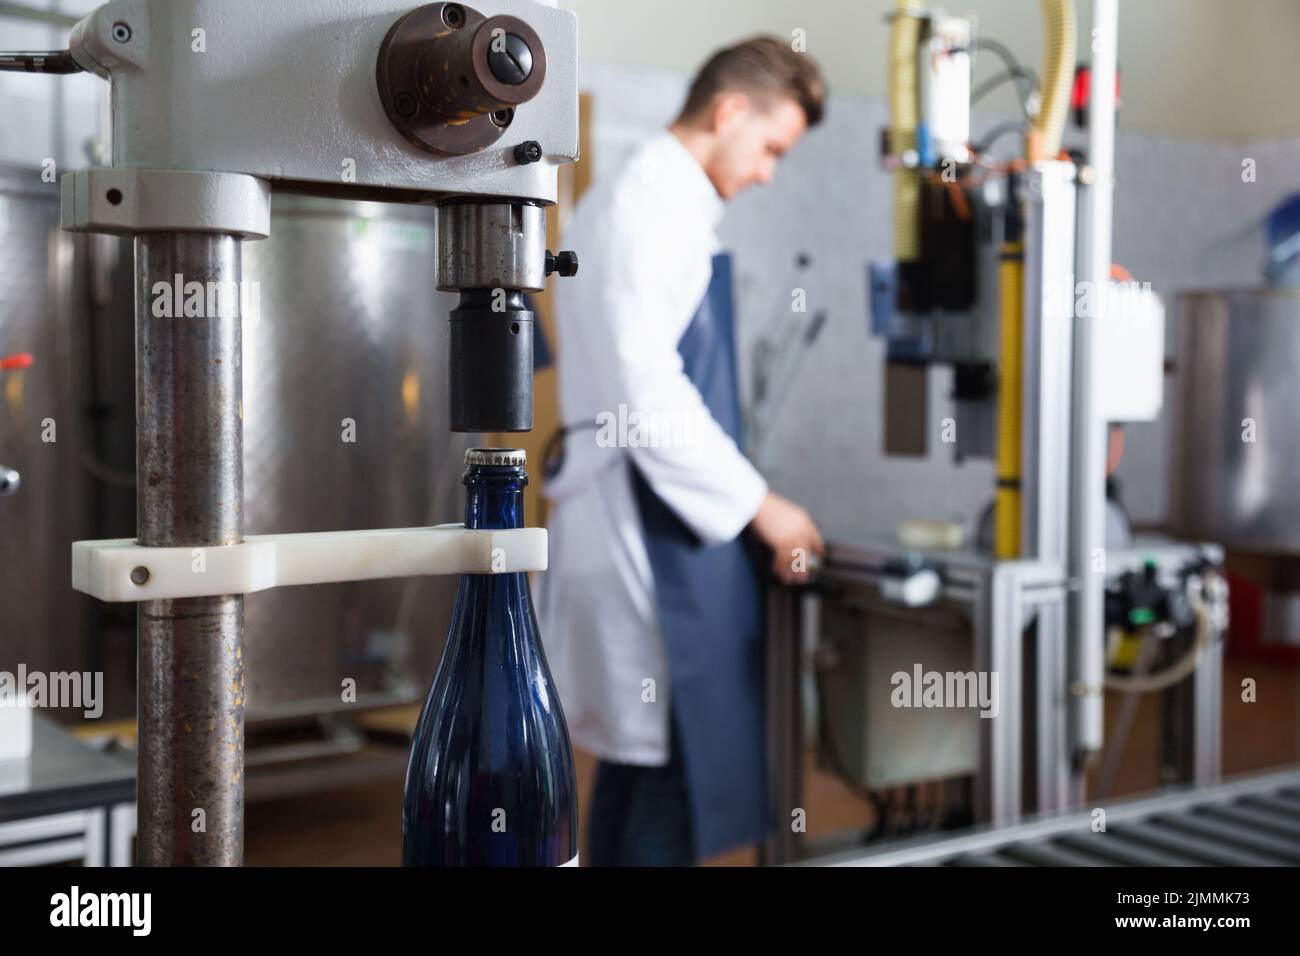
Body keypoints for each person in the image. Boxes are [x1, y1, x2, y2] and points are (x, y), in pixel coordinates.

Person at [536, 37, 827, 866]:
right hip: (642, 524)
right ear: (730, 110)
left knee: (644, 760)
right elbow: (646, 390)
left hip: (635, 506)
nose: (769, 172)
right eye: (772, 147)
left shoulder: (645, 198)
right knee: (671, 763)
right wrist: (764, 507)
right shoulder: (648, 204)